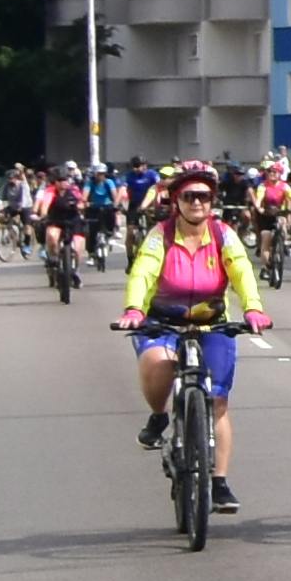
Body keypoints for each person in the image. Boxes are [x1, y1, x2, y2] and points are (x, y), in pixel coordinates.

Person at [117, 167, 259, 516]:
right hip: (163, 322)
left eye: (204, 196)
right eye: (189, 196)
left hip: (212, 322)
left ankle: (219, 481)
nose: (197, 203)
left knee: (218, 400)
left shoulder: (223, 234)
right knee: (159, 364)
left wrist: (253, 308)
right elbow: (143, 272)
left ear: (213, 201)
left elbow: (242, 271)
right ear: (175, 201)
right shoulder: (160, 236)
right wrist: (134, 308)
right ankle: (158, 417)